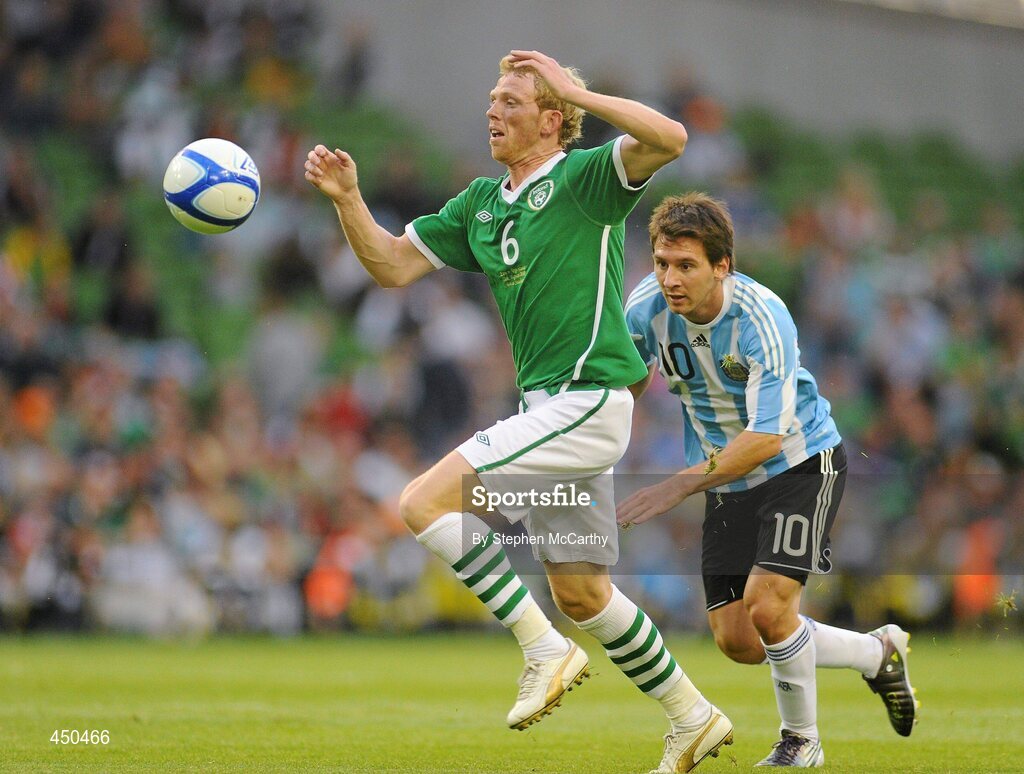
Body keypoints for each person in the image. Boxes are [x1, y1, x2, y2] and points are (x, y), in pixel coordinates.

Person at [305, 51, 732, 773]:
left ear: (553, 118)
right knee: (583, 593)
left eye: (511, 100)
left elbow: (671, 138)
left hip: (587, 403)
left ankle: (542, 649)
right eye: (492, 99)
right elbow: (392, 265)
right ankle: (693, 716)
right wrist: (349, 199)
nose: (492, 110)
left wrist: (577, 89)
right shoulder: (480, 204)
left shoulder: (585, 180)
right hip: (554, 415)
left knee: (422, 503)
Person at [619, 192, 918, 767]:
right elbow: (627, 382)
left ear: (722, 265)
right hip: (726, 480)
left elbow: (765, 439)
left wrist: (676, 485)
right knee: (739, 640)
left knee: (768, 604)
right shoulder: (644, 309)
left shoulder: (761, 316)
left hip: (798, 464)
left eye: (686, 266)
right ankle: (876, 653)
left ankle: (801, 742)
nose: (670, 279)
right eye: (661, 263)